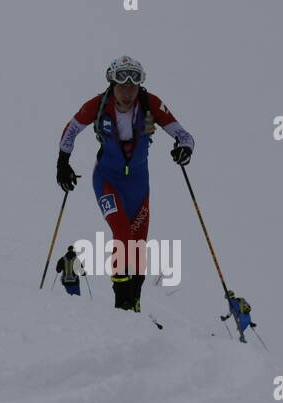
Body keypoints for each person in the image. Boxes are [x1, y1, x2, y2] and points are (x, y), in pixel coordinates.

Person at [56, 57, 194, 313]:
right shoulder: (98, 104)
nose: (127, 92)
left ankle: (135, 305)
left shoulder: (150, 103)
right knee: (122, 234)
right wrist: (62, 162)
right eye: (122, 85)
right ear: (111, 83)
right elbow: (72, 128)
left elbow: (184, 135)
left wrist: (184, 148)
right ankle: (122, 307)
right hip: (107, 181)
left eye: (133, 85)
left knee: (138, 246)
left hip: (139, 186)